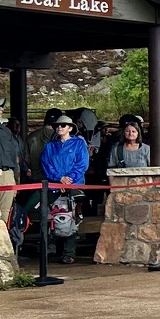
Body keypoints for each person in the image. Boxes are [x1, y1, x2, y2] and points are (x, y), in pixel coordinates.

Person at [40, 113, 90, 263]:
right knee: (54, 215)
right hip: (55, 186)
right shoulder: (49, 146)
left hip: (74, 186)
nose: (59, 128)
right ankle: (53, 248)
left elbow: (82, 164)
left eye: (62, 125)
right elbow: (46, 164)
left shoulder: (79, 144)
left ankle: (69, 252)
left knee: (72, 217)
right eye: (57, 126)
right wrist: (59, 179)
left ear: (70, 128)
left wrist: (69, 180)